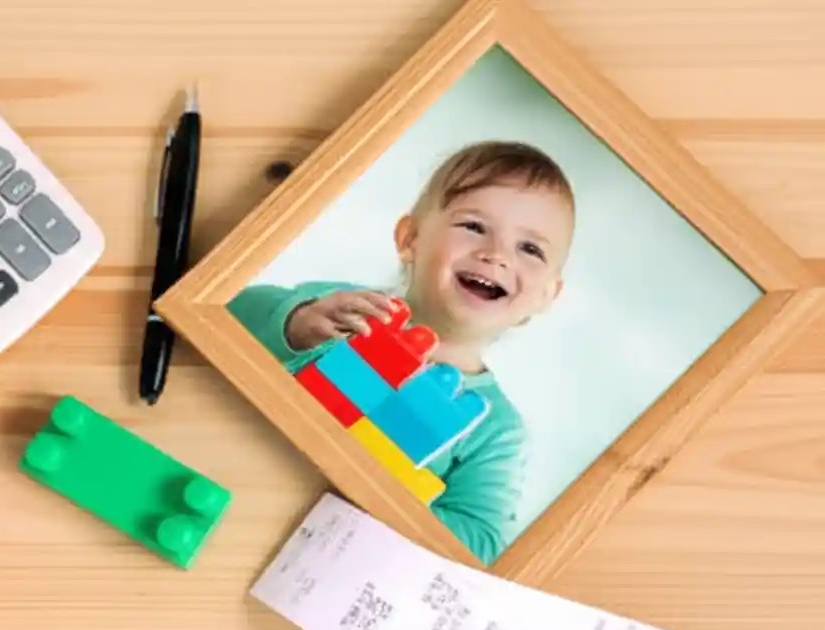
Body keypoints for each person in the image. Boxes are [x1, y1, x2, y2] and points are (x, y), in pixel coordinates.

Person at [228, 140, 575, 565]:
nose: (496, 255)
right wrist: (296, 324)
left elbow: (482, 545)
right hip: (231, 479)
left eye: (531, 249)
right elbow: (224, 313)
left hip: (311, 561)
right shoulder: (341, 310)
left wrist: (387, 482)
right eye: (474, 226)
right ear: (410, 239)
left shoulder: (497, 428)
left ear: (546, 294)